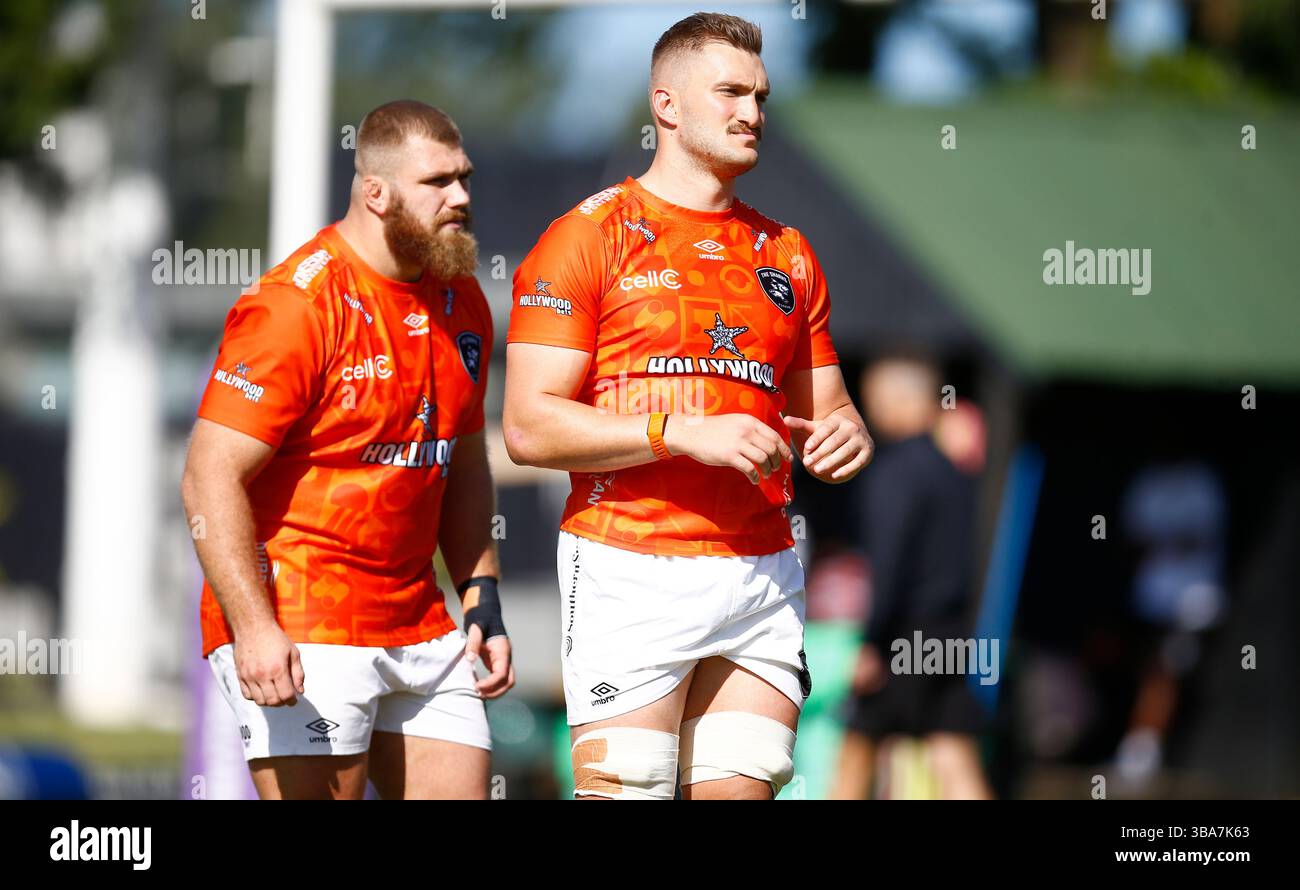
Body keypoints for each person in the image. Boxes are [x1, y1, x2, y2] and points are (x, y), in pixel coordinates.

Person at [503, 13, 872, 800]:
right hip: (629, 567)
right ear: (666, 105)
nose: (753, 114)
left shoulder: (788, 254)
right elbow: (529, 426)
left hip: (761, 570)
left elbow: (830, 414)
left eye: (761, 96)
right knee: (630, 789)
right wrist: (681, 434)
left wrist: (846, 440)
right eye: (731, 92)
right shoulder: (586, 238)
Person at [181, 100, 512, 800]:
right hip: (304, 614)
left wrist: (481, 592)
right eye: (439, 183)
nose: (462, 198)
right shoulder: (295, 306)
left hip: (419, 619)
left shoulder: (463, 302)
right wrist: (254, 627)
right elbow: (209, 473)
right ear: (376, 192)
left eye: (465, 177)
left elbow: (463, 461)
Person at [831, 355, 992, 800]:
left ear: (899, 402)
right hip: (949, 632)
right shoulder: (955, 472)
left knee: (855, 752)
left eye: (875, 399)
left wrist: (870, 642)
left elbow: (889, 561)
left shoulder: (894, 471)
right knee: (952, 751)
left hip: (900, 635)